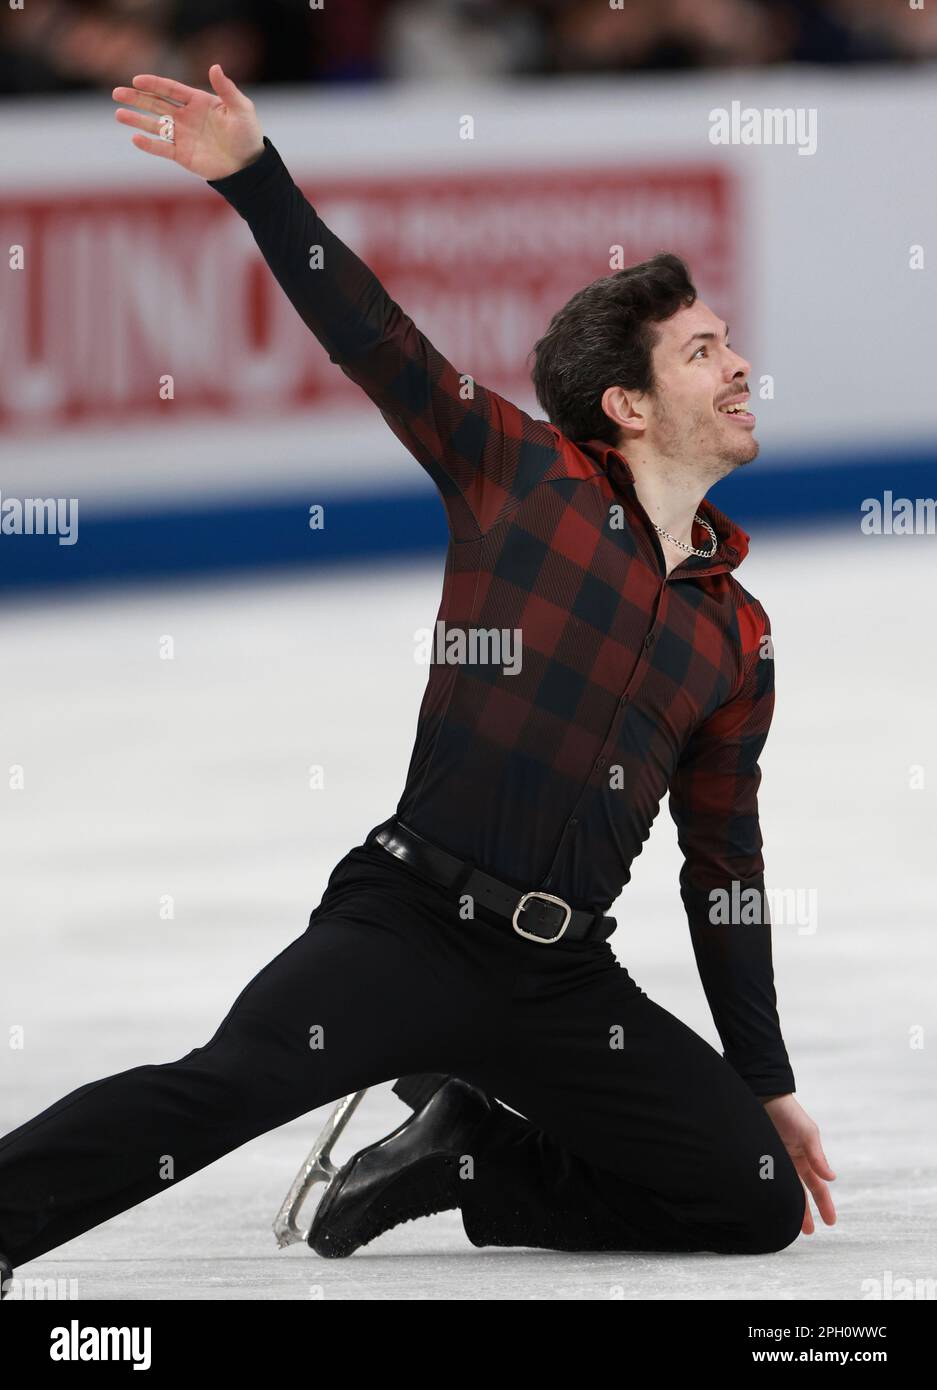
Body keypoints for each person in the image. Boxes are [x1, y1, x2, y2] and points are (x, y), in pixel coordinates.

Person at [0, 64, 836, 1293]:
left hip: (560, 978)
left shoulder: (737, 634)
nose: (736, 364)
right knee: (220, 1089)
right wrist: (252, 175)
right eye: (703, 349)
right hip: (403, 927)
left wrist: (764, 1080)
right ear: (629, 403)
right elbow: (373, 334)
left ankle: (463, 1156)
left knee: (753, 1200)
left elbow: (726, 872)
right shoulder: (523, 480)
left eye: (728, 343)